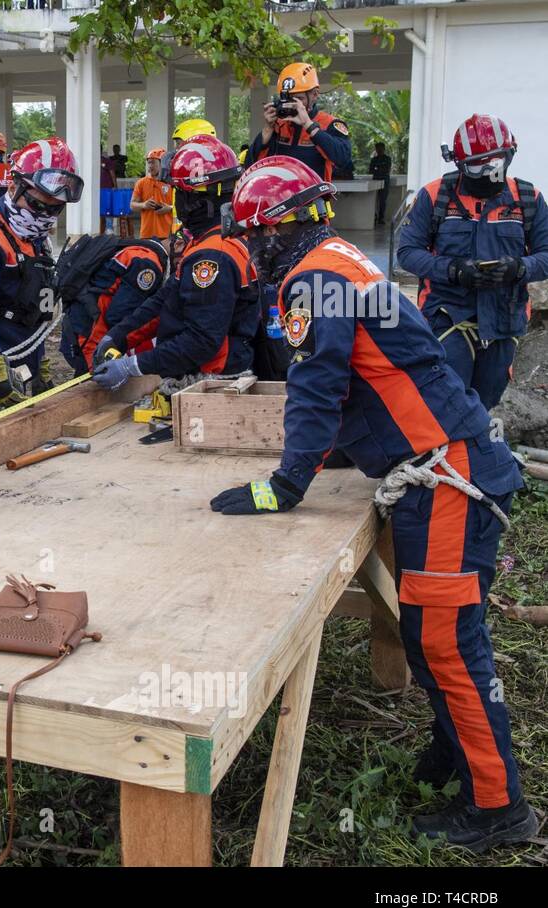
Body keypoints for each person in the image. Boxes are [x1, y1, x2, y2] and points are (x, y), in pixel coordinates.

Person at [212, 155, 537, 853]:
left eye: (252, 236)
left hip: (446, 476)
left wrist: (286, 484)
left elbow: (319, 384)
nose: (252, 250)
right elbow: (372, 374)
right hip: (446, 465)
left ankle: (499, 807)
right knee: (431, 636)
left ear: (274, 229)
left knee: (449, 645)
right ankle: (455, 757)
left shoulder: (314, 279)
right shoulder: (342, 259)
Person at [398, 114, 548, 411]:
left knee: (486, 401)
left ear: (510, 155)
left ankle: (479, 455)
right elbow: (408, 252)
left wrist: (519, 268)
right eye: (478, 165)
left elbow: (545, 254)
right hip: (448, 314)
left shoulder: (528, 198)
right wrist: (452, 270)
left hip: (504, 319)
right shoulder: (435, 196)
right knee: (450, 399)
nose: (488, 172)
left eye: (495, 163)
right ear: (458, 163)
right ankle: (448, 454)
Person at [92, 136, 259, 402]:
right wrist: (120, 336)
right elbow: (167, 299)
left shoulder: (212, 256)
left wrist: (133, 366)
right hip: (204, 373)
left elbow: (201, 341)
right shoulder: (211, 239)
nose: (175, 200)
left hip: (214, 382)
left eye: (178, 192)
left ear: (195, 198)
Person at [0, 137, 84, 408]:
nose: (45, 214)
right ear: (13, 186)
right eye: (37, 204)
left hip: (20, 353)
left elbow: (35, 302)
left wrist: (39, 356)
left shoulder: (33, 236)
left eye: (55, 208)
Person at [58, 234, 167, 375]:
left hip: (78, 326)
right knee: (91, 388)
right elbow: (118, 316)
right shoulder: (148, 264)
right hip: (91, 337)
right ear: (178, 245)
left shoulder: (137, 248)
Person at [245, 62, 352, 181]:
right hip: (280, 196)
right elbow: (250, 165)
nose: (293, 104)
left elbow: (343, 160)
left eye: (299, 99)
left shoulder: (330, 123)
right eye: (288, 99)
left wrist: (309, 125)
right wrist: (267, 129)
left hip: (314, 196)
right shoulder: (279, 124)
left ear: (315, 95)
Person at [131, 148, 174, 240]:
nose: (150, 166)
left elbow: (180, 206)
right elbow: (132, 205)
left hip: (167, 235)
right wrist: (144, 205)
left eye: (153, 162)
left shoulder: (172, 183)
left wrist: (169, 208)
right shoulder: (141, 183)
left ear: (163, 163)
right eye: (149, 162)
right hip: (146, 234)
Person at [369, 141, 392, 226]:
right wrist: (378, 168)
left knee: (383, 200)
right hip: (375, 181)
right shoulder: (374, 159)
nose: (379, 150)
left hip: (385, 181)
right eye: (377, 149)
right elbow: (371, 170)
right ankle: (374, 217)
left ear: (384, 149)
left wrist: (377, 168)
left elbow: (387, 169)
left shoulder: (387, 159)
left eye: (380, 148)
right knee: (374, 200)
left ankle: (381, 218)